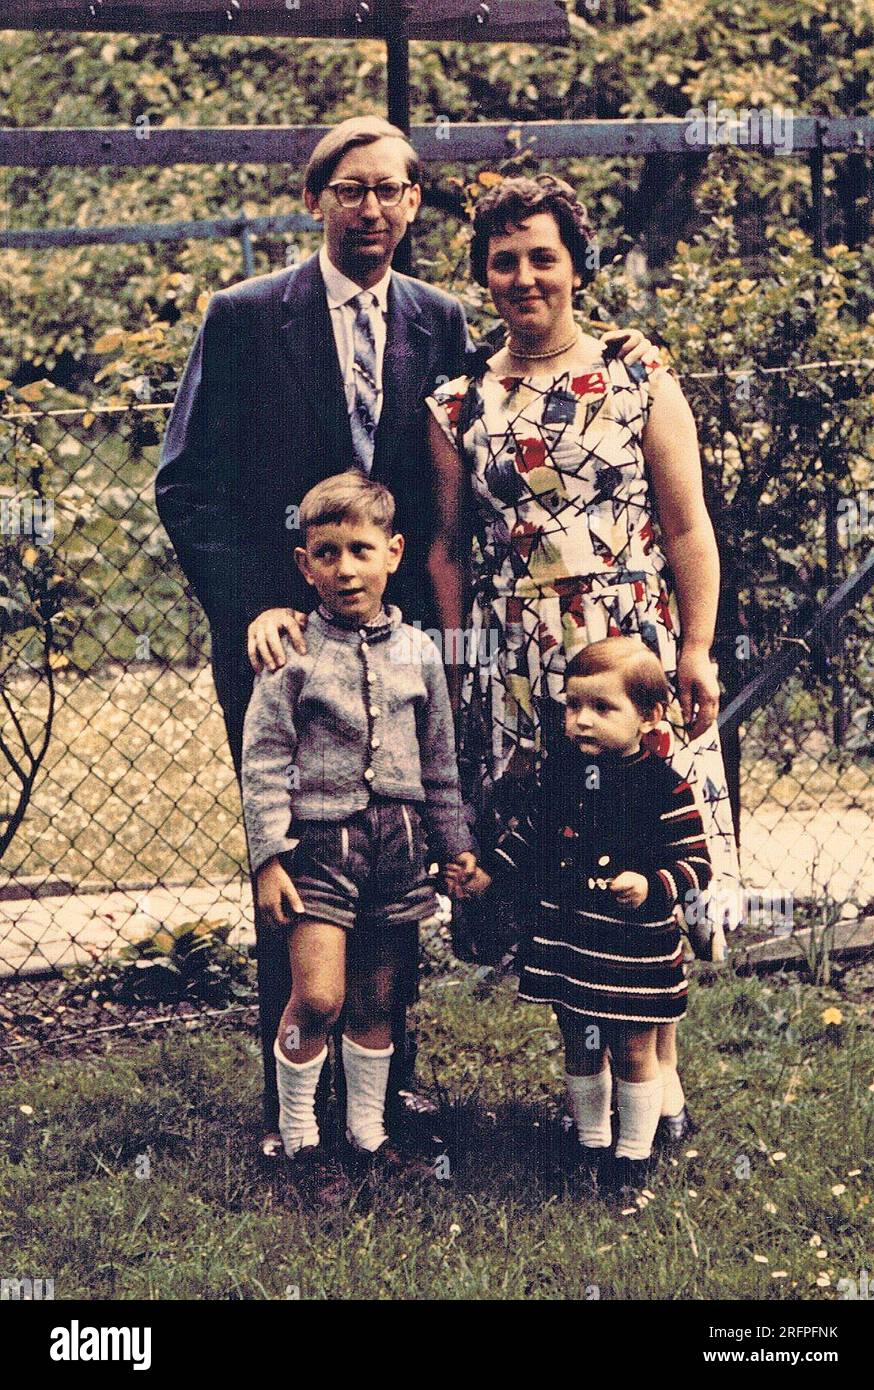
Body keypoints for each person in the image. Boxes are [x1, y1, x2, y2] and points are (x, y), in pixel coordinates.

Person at [156, 115, 657, 1160]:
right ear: (316, 199)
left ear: (413, 205)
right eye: (350, 189)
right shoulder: (245, 317)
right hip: (283, 647)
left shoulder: (435, 319)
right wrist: (254, 599)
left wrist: (622, 348)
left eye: (390, 190)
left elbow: (528, 365)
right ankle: (292, 1097)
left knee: (400, 852)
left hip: (402, 648)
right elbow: (188, 482)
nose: (371, 208)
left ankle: (387, 1087)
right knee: (297, 853)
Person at [426, 173, 743, 1148]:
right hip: (523, 661)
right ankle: (591, 1090)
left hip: (632, 645)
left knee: (647, 840)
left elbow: (687, 524)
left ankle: (661, 1080)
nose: (524, 277)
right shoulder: (459, 404)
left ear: (576, 265)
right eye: (505, 260)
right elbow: (441, 546)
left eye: (543, 257)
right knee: (563, 850)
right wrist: (455, 661)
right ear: (484, 272)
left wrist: (695, 644)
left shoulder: (640, 373)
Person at [240, 473, 477, 1184]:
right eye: (327, 552)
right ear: (304, 563)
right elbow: (262, 762)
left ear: (394, 553)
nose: (345, 568)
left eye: (361, 550)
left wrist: (455, 847)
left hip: (399, 849)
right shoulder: (292, 653)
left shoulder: (421, 653)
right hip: (320, 848)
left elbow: (440, 763)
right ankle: (300, 1137)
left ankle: (368, 1133)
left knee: (378, 998)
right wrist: (268, 859)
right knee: (318, 996)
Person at [447, 638, 712, 1197]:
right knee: (580, 1041)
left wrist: (652, 884)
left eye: (601, 708)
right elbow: (530, 837)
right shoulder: (560, 774)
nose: (581, 721)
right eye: (572, 707)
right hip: (571, 943)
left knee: (636, 1049)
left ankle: (633, 1156)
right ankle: (590, 1142)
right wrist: (489, 873)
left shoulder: (665, 786)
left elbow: (696, 864)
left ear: (650, 716)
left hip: (634, 949)